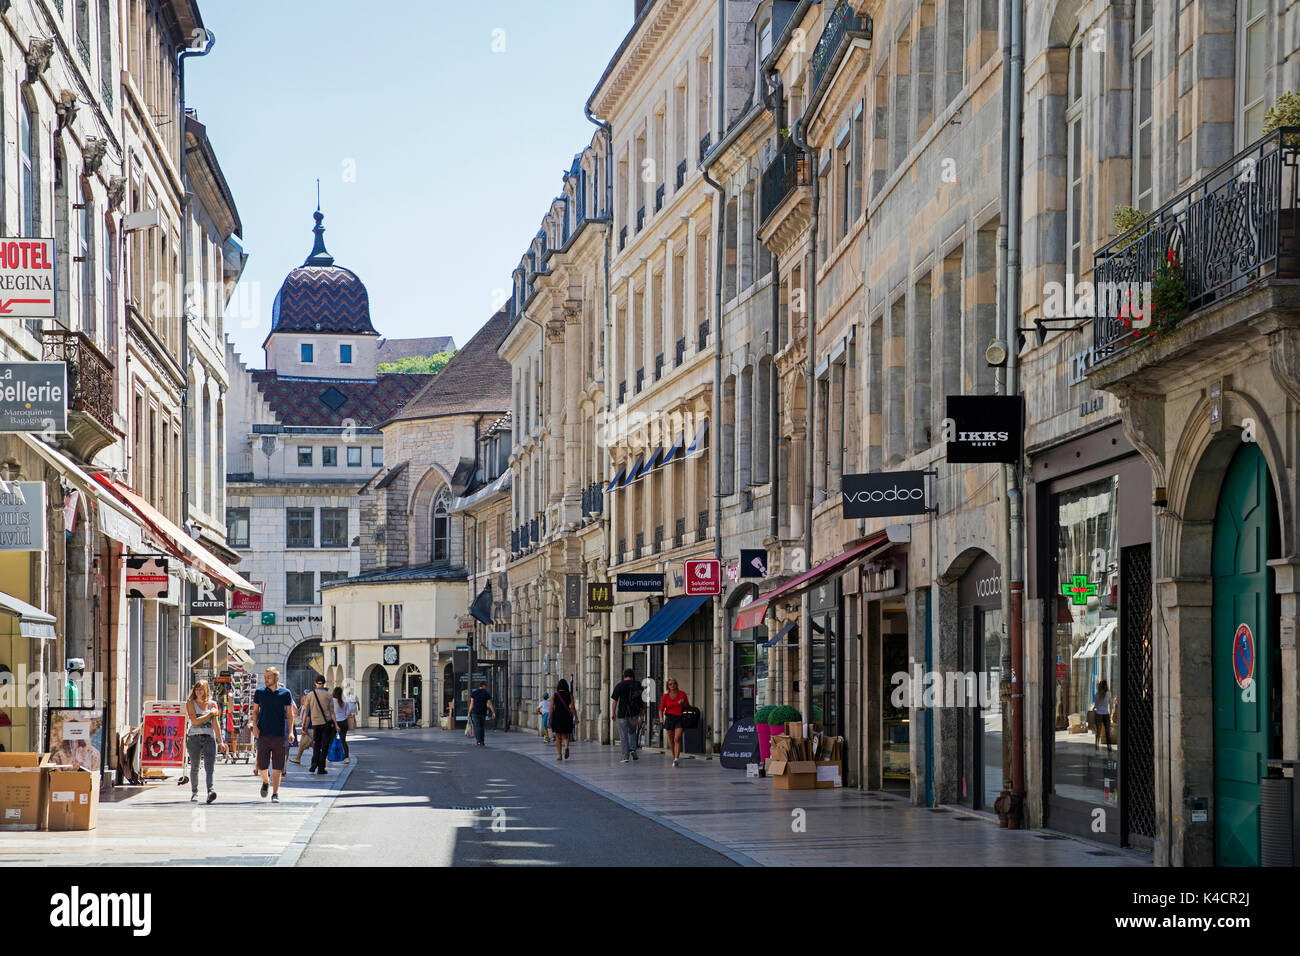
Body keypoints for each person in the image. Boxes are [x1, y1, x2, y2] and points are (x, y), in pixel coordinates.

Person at [251, 666, 295, 803]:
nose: (266, 680)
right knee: (262, 766)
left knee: (277, 766)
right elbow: (255, 711)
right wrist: (255, 726)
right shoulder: (259, 692)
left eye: (268, 677)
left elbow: (290, 713)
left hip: (279, 734)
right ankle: (265, 781)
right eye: (265, 677)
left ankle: (275, 793)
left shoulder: (285, 693)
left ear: (276, 678)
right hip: (263, 733)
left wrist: (291, 731)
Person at [185, 678, 227, 803]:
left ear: (206, 690)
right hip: (194, 738)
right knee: (195, 766)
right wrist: (209, 714)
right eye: (197, 689)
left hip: (209, 738)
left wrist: (221, 742)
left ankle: (211, 791)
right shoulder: (190, 703)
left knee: (210, 767)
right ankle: (195, 792)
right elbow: (195, 721)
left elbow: (215, 724)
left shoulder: (212, 704)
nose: (199, 691)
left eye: (201, 689)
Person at [303, 676, 340, 774]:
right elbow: (332, 712)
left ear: (315, 683)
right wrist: (336, 724)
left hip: (315, 723)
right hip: (326, 723)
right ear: (324, 683)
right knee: (325, 746)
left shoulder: (310, 695)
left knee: (316, 744)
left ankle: (314, 764)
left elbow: (306, 712)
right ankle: (321, 767)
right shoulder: (328, 695)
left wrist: (304, 725)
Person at [610, 669, 643, 764]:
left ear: (624, 675)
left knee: (623, 735)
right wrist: (641, 710)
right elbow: (641, 698)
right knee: (632, 732)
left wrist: (613, 712)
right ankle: (633, 749)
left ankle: (625, 756)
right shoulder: (637, 684)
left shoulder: (619, 685)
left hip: (622, 714)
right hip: (634, 713)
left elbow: (614, 701)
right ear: (632, 675)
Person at [660, 677, 690, 767]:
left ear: (677, 685)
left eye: (674, 683)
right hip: (669, 718)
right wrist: (661, 718)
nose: (672, 685)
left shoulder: (682, 694)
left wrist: (683, 703)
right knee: (672, 741)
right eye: (670, 684)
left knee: (677, 738)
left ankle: (676, 758)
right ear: (668, 686)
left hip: (679, 718)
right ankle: (674, 758)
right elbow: (661, 709)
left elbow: (688, 706)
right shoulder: (665, 696)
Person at [549, 679, 578, 761]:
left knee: (558, 736)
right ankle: (566, 746)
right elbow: (572, 707)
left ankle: (559, 755)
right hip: (566, 716)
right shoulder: (570, 695)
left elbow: (551, 707)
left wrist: (548, 719)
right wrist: (576, 717)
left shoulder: (554, 695)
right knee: (565, 735)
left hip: (557, 716)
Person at [290, 688, 314, 766]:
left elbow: (307, 718)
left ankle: (298, 758)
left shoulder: (308, 706)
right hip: (313, 726)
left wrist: (304, 727)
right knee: (312, 744)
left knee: (303, 744)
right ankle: (321, 757)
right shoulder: (312, 704)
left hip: (309, 727)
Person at [469, 681, 495, 746]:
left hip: (475, 712)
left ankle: (478, 741)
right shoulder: (486, 693)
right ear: (483, 686)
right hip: (483, 712)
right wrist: (493, 712)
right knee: (482, 727)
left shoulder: (474, 693)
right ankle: (482, 741)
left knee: (477, 727)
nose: (486, 687)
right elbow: (489, 703)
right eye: (486, 686)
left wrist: (469, 712)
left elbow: (471, 703)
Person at [332, 686, 352, 762]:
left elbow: (331, 712)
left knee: (332, 740)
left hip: (335, 722)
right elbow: (348, 714)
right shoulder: (345, 702)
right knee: (343, 740)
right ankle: (346, 757)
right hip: (344, 722)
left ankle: (331, 756)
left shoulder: (332, 701)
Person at [1094, 680, 1113, 752]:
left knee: (1098, 731)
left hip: (1098, 714)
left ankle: (1096, 746)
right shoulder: (1109, 694)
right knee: (1107, 731)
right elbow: (1110, 703)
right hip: (1106, 714)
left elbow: (1095, 705)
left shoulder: (1096, 694)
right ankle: (1109, 747)